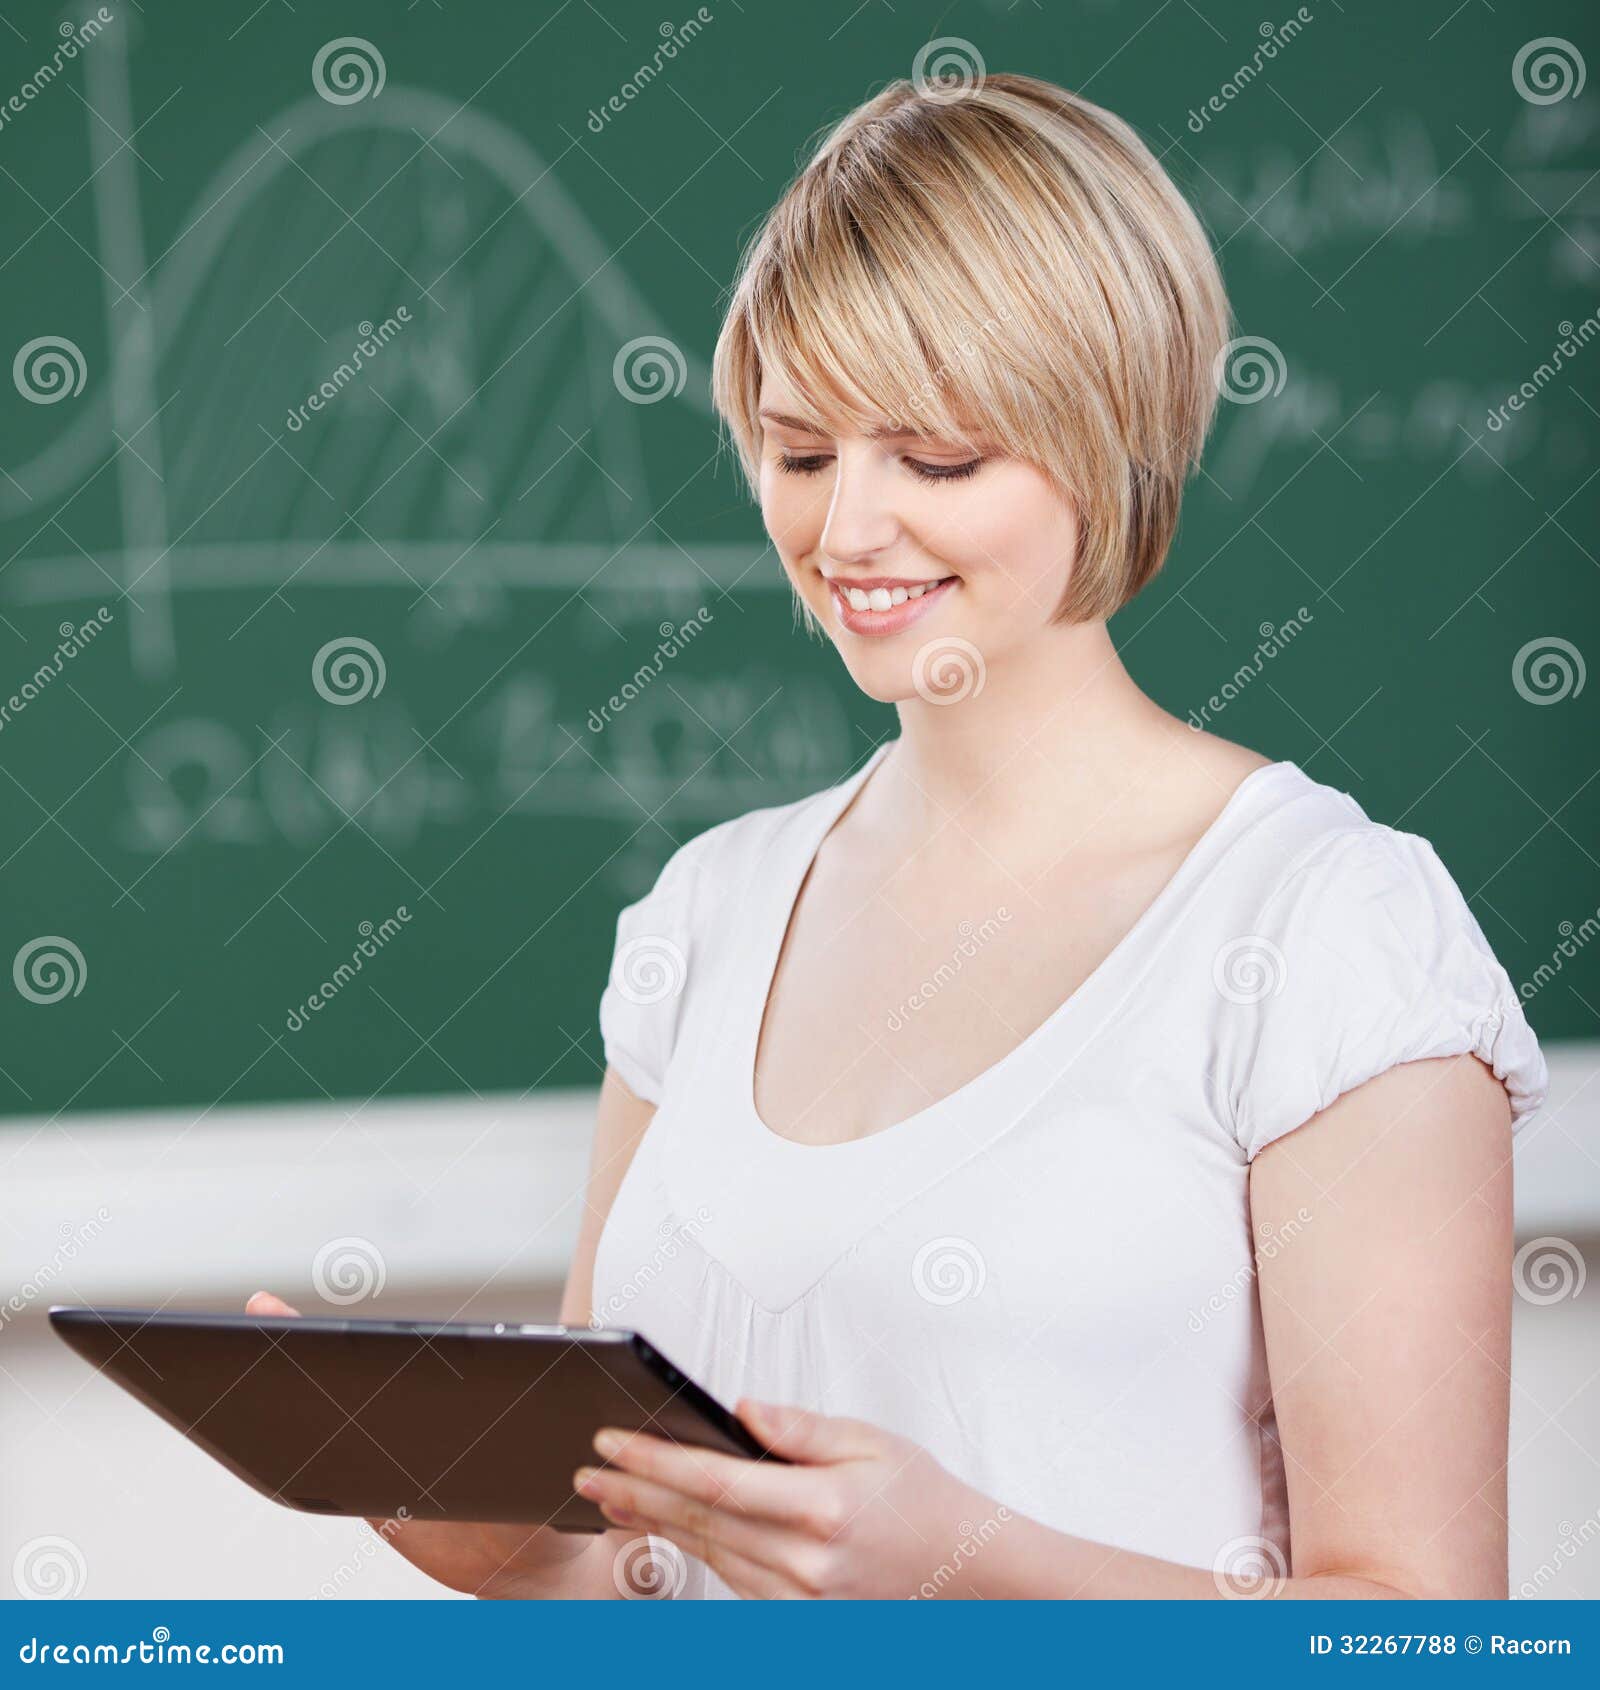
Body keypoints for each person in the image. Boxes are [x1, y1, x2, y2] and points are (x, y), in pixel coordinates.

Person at [252, 70, 1547, 1600]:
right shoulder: (709, 911)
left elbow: (1421, 1633)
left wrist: (960, 1561)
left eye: (934, 458)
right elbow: (612, 1553)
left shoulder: (1326, 931)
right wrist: (495, 1533)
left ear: (1109, 441)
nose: (848, 530)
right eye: (802, 457)